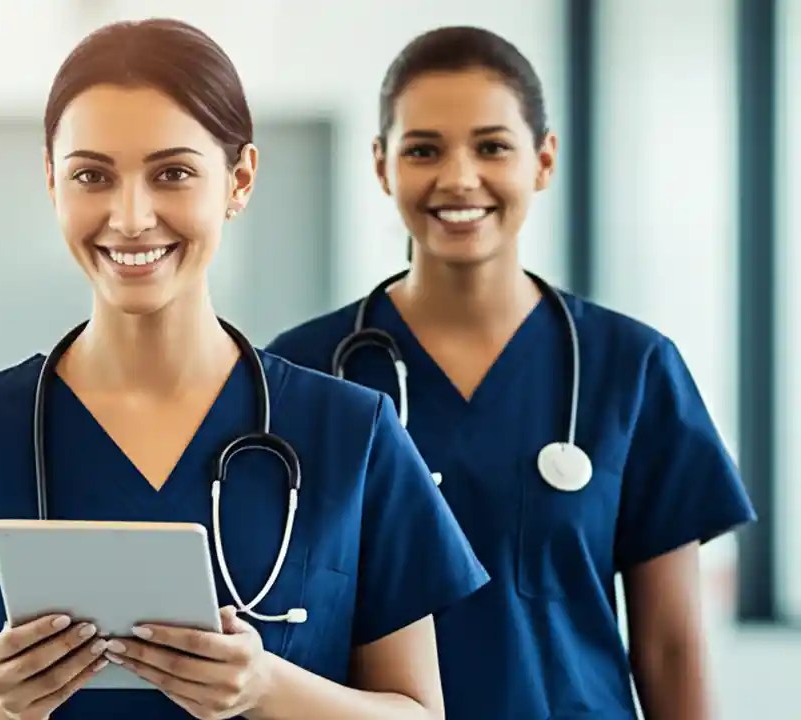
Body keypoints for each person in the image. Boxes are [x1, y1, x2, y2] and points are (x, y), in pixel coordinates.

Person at [0, 18, 489, 720]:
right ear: (52, 184)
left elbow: (422, 715)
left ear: (239, 180)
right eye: (92, 175)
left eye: (172, 173)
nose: (131, 216)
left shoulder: (351, 434)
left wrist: (267, 688)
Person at [266, 26, 757, 720]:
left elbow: (671, 646)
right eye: (423, 149)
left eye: (492, 146)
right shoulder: (304, 372)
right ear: (381, 165)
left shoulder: (633, 370)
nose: (459, 177)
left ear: (544, 159)